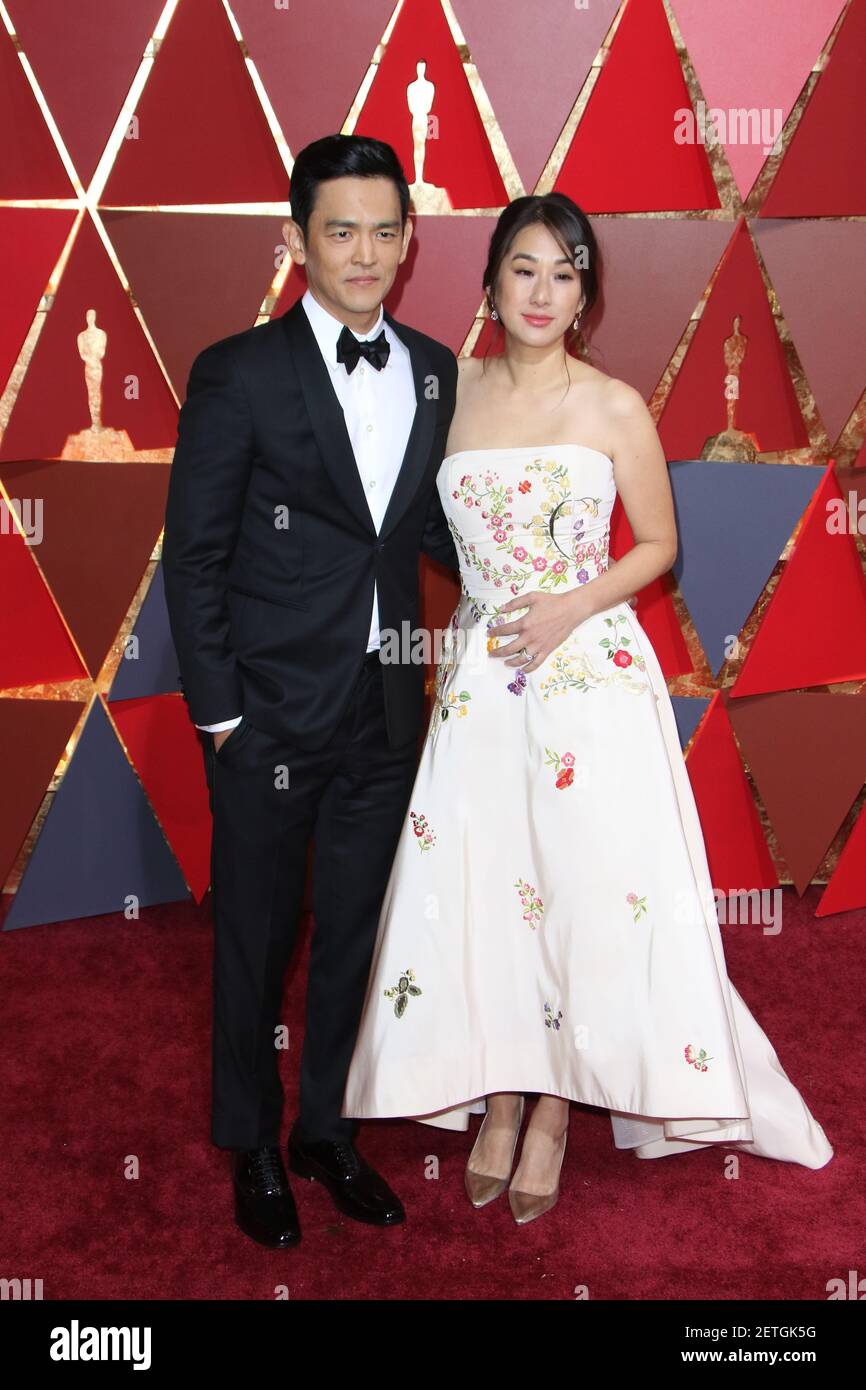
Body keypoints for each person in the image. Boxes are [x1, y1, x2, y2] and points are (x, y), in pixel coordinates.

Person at [341, 191, 834, 1225]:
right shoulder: (451, 393)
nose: (542, 292)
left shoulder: (612, 406)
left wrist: (571, 601)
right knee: (494, 884)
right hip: (479, 683)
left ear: (584, 297)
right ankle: (503, 1090)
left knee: (581, 886)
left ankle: (557, 1105)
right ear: (488, 281)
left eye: (565, 275)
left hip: (588, 677)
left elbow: (656, 546)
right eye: (524, 269)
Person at [162, 134, 460, 1248]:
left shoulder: (433, 368)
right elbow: (189, 559)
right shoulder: (236, 371)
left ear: (409, 240)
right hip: (267, 714)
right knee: (253, 932)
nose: (365, 252)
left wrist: (524, 569)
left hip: (387, 705)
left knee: (352, 932)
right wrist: (223, 716)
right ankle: (250, 1137)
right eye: (341, 230)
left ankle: (325, 1130)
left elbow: (423, 527)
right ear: (296, 241)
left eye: (386, 230)